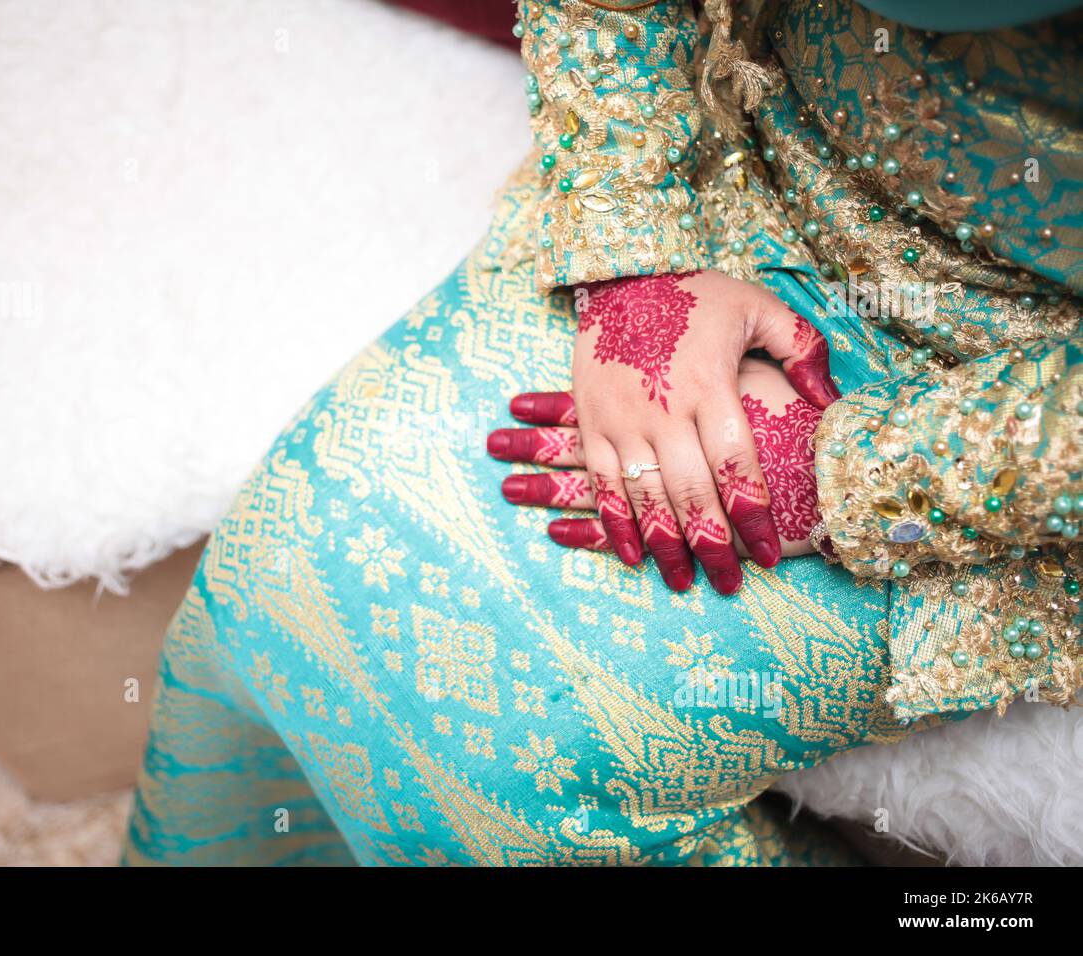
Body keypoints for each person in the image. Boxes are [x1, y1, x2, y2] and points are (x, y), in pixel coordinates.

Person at [124, 0, 1082, 865]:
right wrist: (635, 261)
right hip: (734, 184)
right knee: (290, 549)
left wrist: (858, 474)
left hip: (997, 415)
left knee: (511, 765)